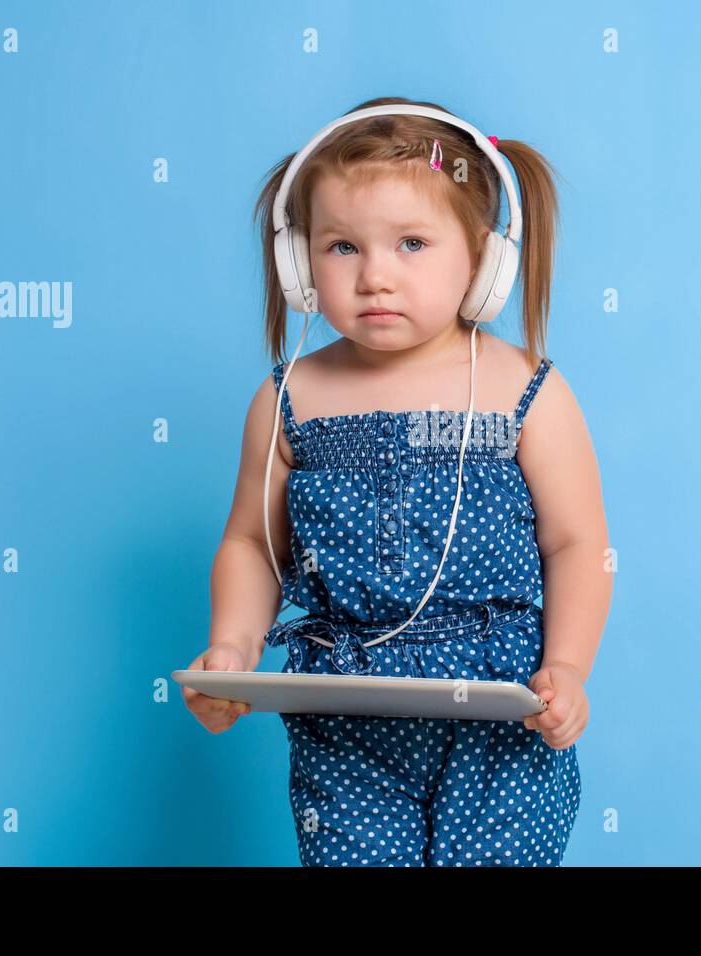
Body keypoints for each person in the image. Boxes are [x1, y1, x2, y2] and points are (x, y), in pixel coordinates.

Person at [182, 96, 611, 866]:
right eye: (342, 246)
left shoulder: (525, 390)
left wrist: (568, 667)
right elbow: (252, 542)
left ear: (483, 258)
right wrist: (232, 649)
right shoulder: (288, 399)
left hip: (500, 725)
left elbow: (579, 544)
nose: (375, 276)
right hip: (346, 722)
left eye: (412, 242)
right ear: (297, 261)